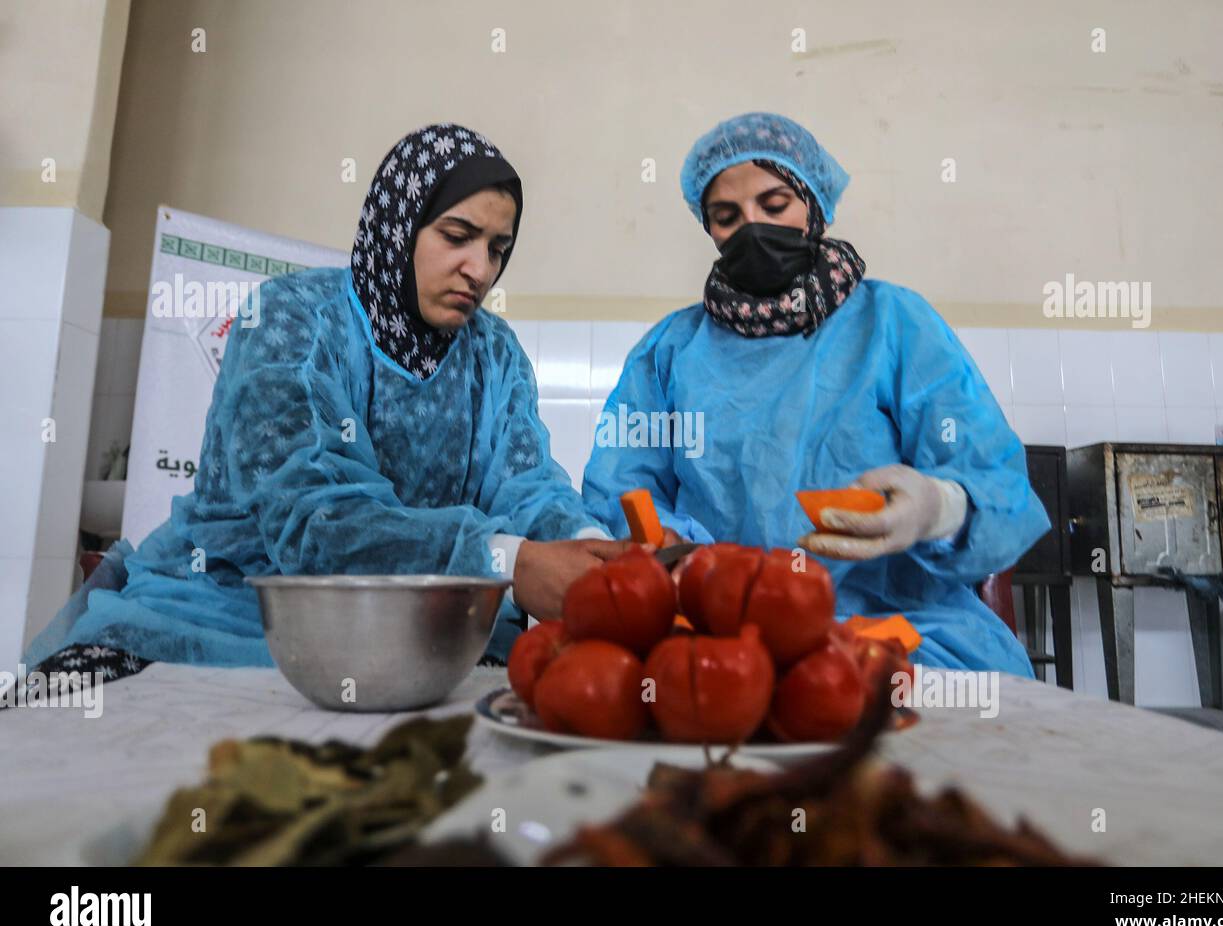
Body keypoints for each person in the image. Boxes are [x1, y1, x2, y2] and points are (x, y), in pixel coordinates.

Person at [25, 123, 626, 677]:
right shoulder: (292, 320)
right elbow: (314, 521)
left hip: (430, 627)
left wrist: (593, 550)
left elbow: (528, 485)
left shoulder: (494, 354)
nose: (479, 269)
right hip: (229, 609)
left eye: (497, 248)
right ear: (399, 224)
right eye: (457, 236)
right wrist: (506, 561)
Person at [582, 112, 1049, 675]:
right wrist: (679, 556)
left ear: (814, 202)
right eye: (726, 216)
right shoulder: (670, 351)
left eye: (774, 205)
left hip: (903, 634)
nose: (752, 227)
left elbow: (998, 484)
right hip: (723, 640)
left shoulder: (894, 323)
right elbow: (620, 489)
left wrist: (936, 508)